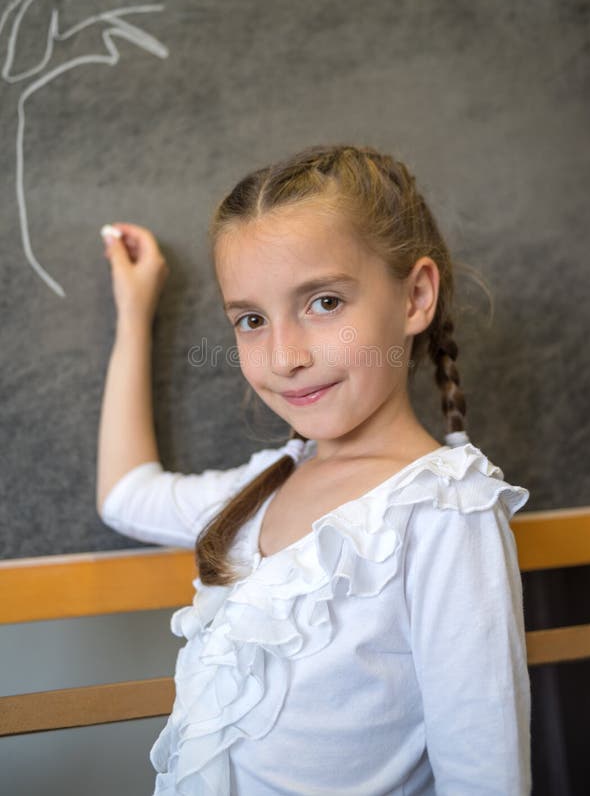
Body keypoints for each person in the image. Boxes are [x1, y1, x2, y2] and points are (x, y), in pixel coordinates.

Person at [97, 144, 531, 795]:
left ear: (414, 296)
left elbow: (483, 777)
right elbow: (126, 496)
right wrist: (134, 316)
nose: (284, 357)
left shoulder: (444, 510)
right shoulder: (265, 486)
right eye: (250, 320)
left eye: (324, 302)